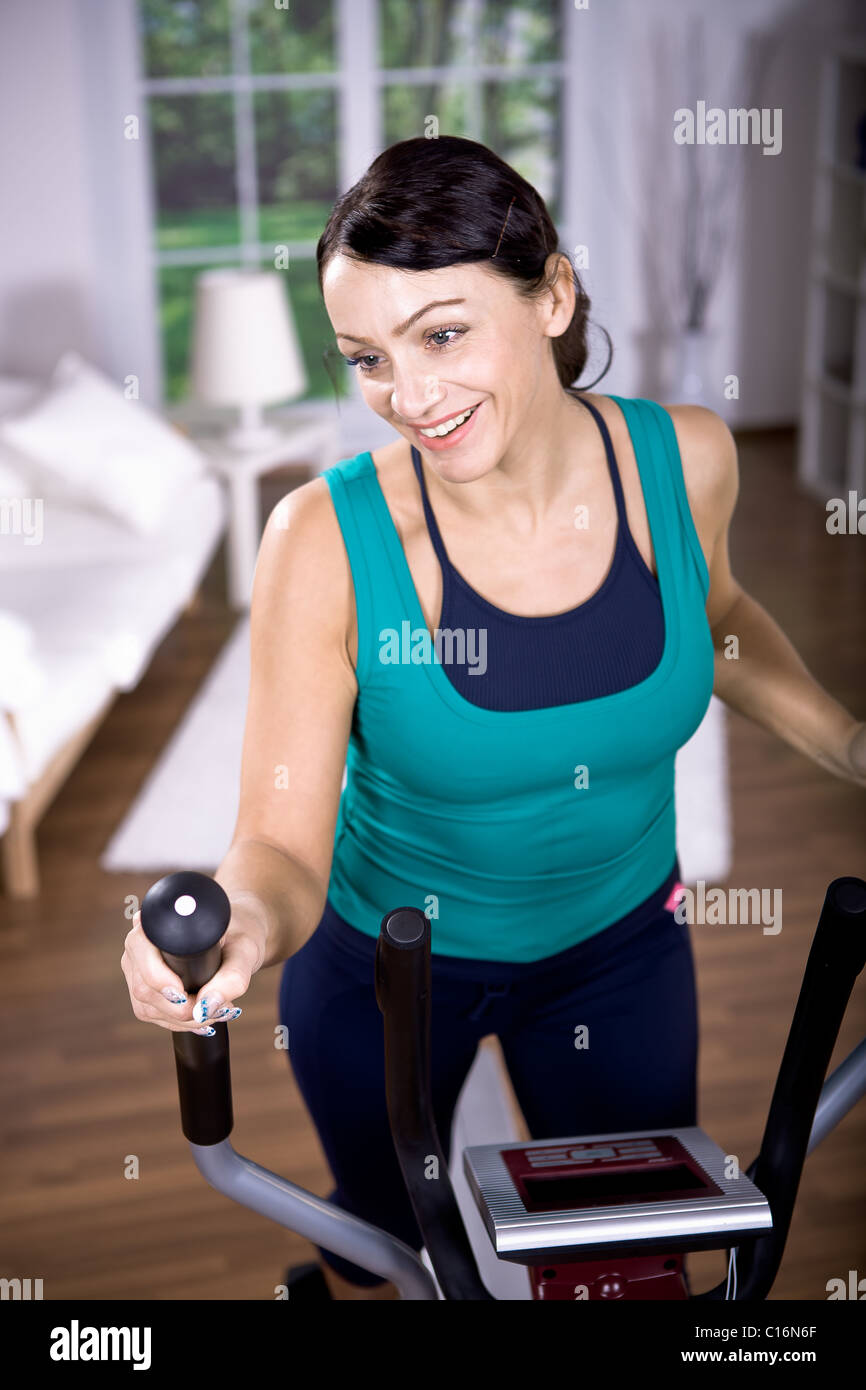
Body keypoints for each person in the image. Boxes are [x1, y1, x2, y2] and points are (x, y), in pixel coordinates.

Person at [122, 136, 866, 1301]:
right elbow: (274, 841)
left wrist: (850, 743)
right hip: (386, 970)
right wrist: (243, 929)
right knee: (388, 1240)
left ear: (552, 295)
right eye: (365, 356)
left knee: (630, 1248)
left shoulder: (688, 460)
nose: (406, 396)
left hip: (618, 949)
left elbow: (715, 620)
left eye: (443, 333)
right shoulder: (323, 542)